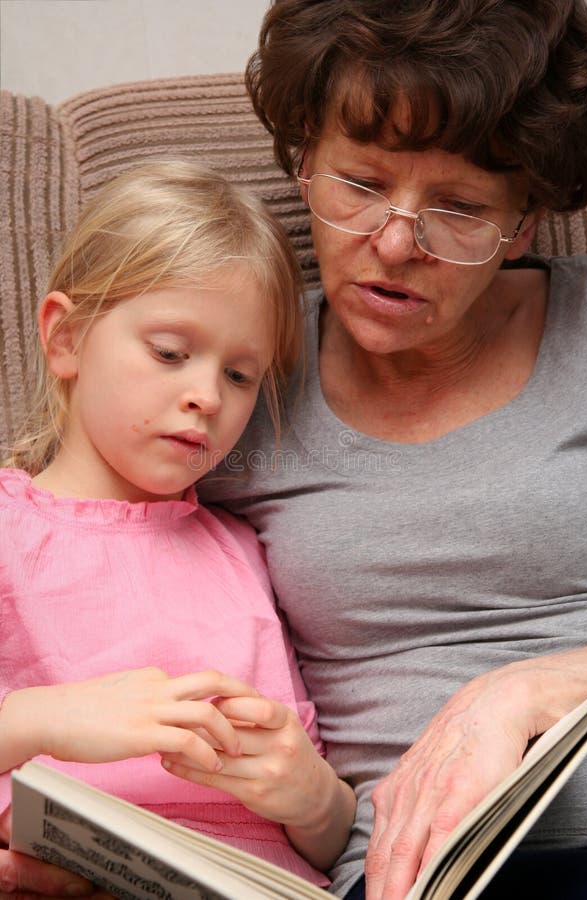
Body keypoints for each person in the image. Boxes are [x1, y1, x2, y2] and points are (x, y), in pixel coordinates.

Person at [162, 2, 587, 898]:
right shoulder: (234, 383)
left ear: (523, 224)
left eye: (461, 208)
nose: (396, 245)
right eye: (360, 186)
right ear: (304, 163)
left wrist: (535, 688)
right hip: (418, 877)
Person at [0, 159, 356, 897]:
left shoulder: (241, 552)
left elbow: (324, 837)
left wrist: (314, 797)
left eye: (239, 375)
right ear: (65, 338)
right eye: (169, 353)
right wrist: (37, 719)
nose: (204, 396)